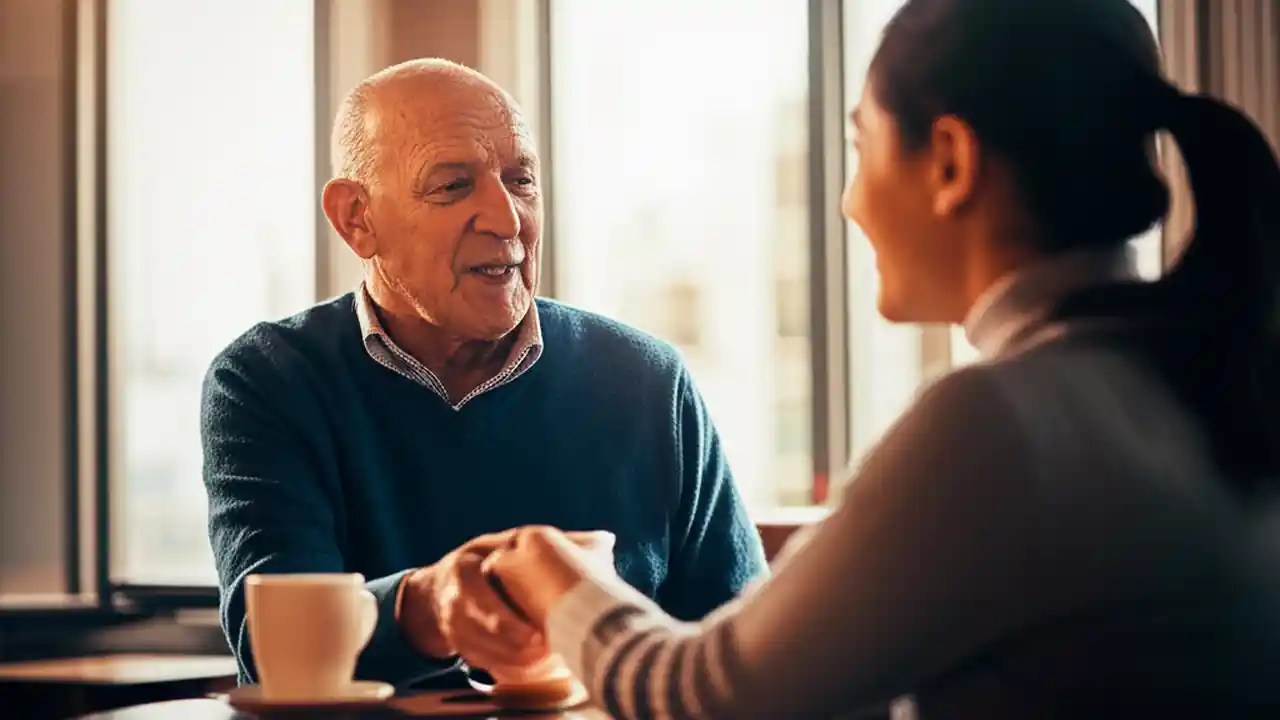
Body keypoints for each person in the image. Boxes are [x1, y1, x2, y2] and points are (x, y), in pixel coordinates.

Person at [485, 0, 1280, 716]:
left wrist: (556, 576)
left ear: (949, 162)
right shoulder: (1205, 382)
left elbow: (705, 698)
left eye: (861, 144)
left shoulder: (1002, 423)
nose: (849, 199)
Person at [200, 59, 767, 689]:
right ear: (357, 218)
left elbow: (747, 648)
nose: (506, 219)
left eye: (521, 180)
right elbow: (276, 647)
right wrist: (431, 605)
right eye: (452, 186)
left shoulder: (648, 381)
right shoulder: (267, 379)